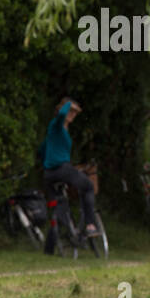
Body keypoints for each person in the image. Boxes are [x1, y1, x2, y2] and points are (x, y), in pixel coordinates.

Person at [39, 97, 99, 251]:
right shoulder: (57, 125)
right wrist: (67, 105)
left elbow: (42, 150)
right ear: (63, 110)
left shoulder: (54, 132)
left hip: (49, 174)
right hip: (62, 170)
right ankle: (90, 225)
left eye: (74, 112)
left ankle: (50, 248)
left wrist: (46, 161)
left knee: (58, 207)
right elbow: (60, 116)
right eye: (70, 111)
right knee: (88, 187)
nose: (72, 114)